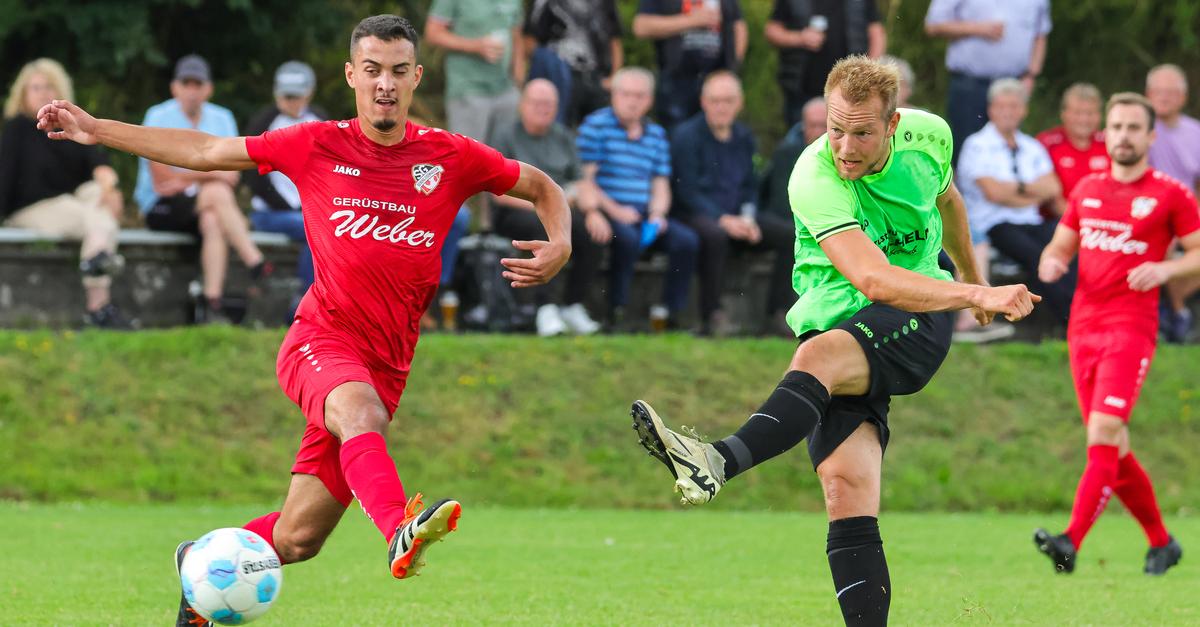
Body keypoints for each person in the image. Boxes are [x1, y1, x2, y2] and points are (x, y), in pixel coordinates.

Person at [36, 15, 571, 627]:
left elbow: (541, 186)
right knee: (361, 414)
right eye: (372, 70)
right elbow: (207, 151)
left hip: (387, 365)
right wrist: (97, 129)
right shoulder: (314, 143)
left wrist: (561, 243)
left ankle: (197, 568)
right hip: (320, 341)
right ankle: (399, 528)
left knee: (296, 539)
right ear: (351, 76)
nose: (385, 84)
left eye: (398, 71)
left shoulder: (451, 156)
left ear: (416, 77)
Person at [630, 56, 1038, 626]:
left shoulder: (929, 138)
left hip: (915, 312)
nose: (845, 147)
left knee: (817, 358)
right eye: (835, 128)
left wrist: (972, 281)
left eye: (863, 133)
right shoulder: (812, 175)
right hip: (844, 318)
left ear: (893, 124)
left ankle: (714, 461)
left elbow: (947, 203)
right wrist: (979, 292)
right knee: (845, 490)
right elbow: (871, 279)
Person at [1034, 92, 1196, 577]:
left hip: (1131, 329)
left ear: (1150, 136)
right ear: (1108, 133)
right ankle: (1162, 543)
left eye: (1133, 128)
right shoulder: (1087, 188)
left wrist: (1165, 269)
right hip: (1083, 328)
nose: (1123, 136)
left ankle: (1069, 541)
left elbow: (1197, 250)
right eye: (1117, 127)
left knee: (1103, 434)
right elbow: (1060, 246)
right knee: (1113, 447)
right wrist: (1051, 262)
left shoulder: (1170, 193)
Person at [134, 54, 271, 323]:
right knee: (216, 192)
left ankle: (212, 301)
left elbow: (233, 174)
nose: (192, 91)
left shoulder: (222, 118)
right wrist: (211, 172)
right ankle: (253, 259)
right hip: (162, 205)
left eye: (198, 84)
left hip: (202, 204)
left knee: (212, 219)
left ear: (208, 89)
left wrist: (186, 176)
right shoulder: (157, 116)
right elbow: (162, 180)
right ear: (175, 87)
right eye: (186, 84)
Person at [0, 58, 130, 328]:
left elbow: (99, 164)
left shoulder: (71, 128)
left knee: (97, 193)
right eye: (35, 87)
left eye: (49, 86)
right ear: (23, 94)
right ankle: (99, 303)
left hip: (75, 205)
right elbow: (4, 177)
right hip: (31, 208)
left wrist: (110, 188)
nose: (42, 93)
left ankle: (96, 258)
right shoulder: (16, 128)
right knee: (95, 215)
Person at [670, 71, 794, 336]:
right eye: (715, 101)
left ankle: (779, 312)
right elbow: (687, 192)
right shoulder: (686, 136)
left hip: (739, 215)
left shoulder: (744, 137)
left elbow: (751, 186)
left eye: (728, 101)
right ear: (703, 102)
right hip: (695, 214)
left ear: (739, 103)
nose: (721, 107)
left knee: (790, 235)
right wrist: (724, 220)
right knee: (715, 235)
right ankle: (711, 315)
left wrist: (747, 217)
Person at [576, 66, 699, 330]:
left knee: (686, 241)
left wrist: (657, 214)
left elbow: (660, 183)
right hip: (608, 209)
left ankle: (671, 312)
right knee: (627, 239)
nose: (632, 101)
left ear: (650, 100)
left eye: (639, 95)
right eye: (626, 94)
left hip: (643, 212)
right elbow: (585, 180)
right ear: (614, 95)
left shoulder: (656, 134)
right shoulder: (595, 126)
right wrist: (616, 210)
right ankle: (616, 312)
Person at [490, 79, 603, 336]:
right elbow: (497, 193)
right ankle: (545, 308)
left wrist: (593, 211)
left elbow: (580, 182)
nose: (544, 108)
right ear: (523, 105)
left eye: (550, 104)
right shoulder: (505, 135)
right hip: (514, 209)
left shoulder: (563, 136)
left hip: (559, 208)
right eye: (538, 103)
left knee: (592, 231)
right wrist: (545, 208)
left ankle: (572, 304)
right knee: (544, 228)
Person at [957, 78, 1069, 338]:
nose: (1007, 112)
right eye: (1002, 106)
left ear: (1023, 110)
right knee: (1039, 256)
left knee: (1066, 247)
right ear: (991, 109)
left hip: (1031, 220)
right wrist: (1030, 192)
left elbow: (1052, 188)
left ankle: (1080, 312)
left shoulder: (1032, 146)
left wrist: (1014, 191)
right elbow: (993, 193)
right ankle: (1070, 317)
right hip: (994, 224)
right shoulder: (976, 145)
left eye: (1014, 106)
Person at [244, 61, 327, 320]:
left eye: (296, 96)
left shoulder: (320, 120)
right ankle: (303, 299)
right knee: (313, 227)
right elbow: (253, 178)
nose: (291, 102)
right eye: (286, 96)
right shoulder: (263, 122)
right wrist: (294, 206)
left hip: (309, 210)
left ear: (309, 94)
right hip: (270, 213)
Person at [924, 0, 1051, 166]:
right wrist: (977, 28)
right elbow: (933, 26)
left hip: (1013, 85)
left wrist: (1031, 75)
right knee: (963, 147)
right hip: (970, 83)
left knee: (1009, 148)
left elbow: (1040, 35)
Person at [765, 0, 885, 127]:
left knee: (849, 135)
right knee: (802, 136)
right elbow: (772, 30)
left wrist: (869, 72)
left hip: (851, 91)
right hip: (802, 91)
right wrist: (800, 38)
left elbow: (877, 33)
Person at [1145, 64, 1200, 342]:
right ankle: (1178, 312)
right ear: (1148, 94)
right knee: (1162, 245)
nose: (1164, 97)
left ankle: (1169, 306)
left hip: (1189, 211)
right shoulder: (1140, 129)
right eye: (1158, 91)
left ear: (1183, 97)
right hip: (1151, 212)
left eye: (1171, 92)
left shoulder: (1195, 132)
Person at [632, 0, 748, 131]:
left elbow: (738, 26)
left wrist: (732, 69)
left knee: (716, 134)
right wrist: (691, 21)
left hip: (715, 80)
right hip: (676, 82)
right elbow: (641, 26)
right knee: (677, 134)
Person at [523, 0, 624, 127]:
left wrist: (614, 76)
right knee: (560, 128)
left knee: (599, 128)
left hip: (596, 78)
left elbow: (614, 40)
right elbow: (529, 40)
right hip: (557, 79)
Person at [1037, 83, 1109, 217]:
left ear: (1100, 115)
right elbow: (1050, 197)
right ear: (1064, 114)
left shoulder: (1109, 144)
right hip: (1058, 221)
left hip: (1104, 220)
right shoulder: (1047, 144)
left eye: (1090, 113)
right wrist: (1079, 222)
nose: (1083, 119)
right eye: (1077, 113)